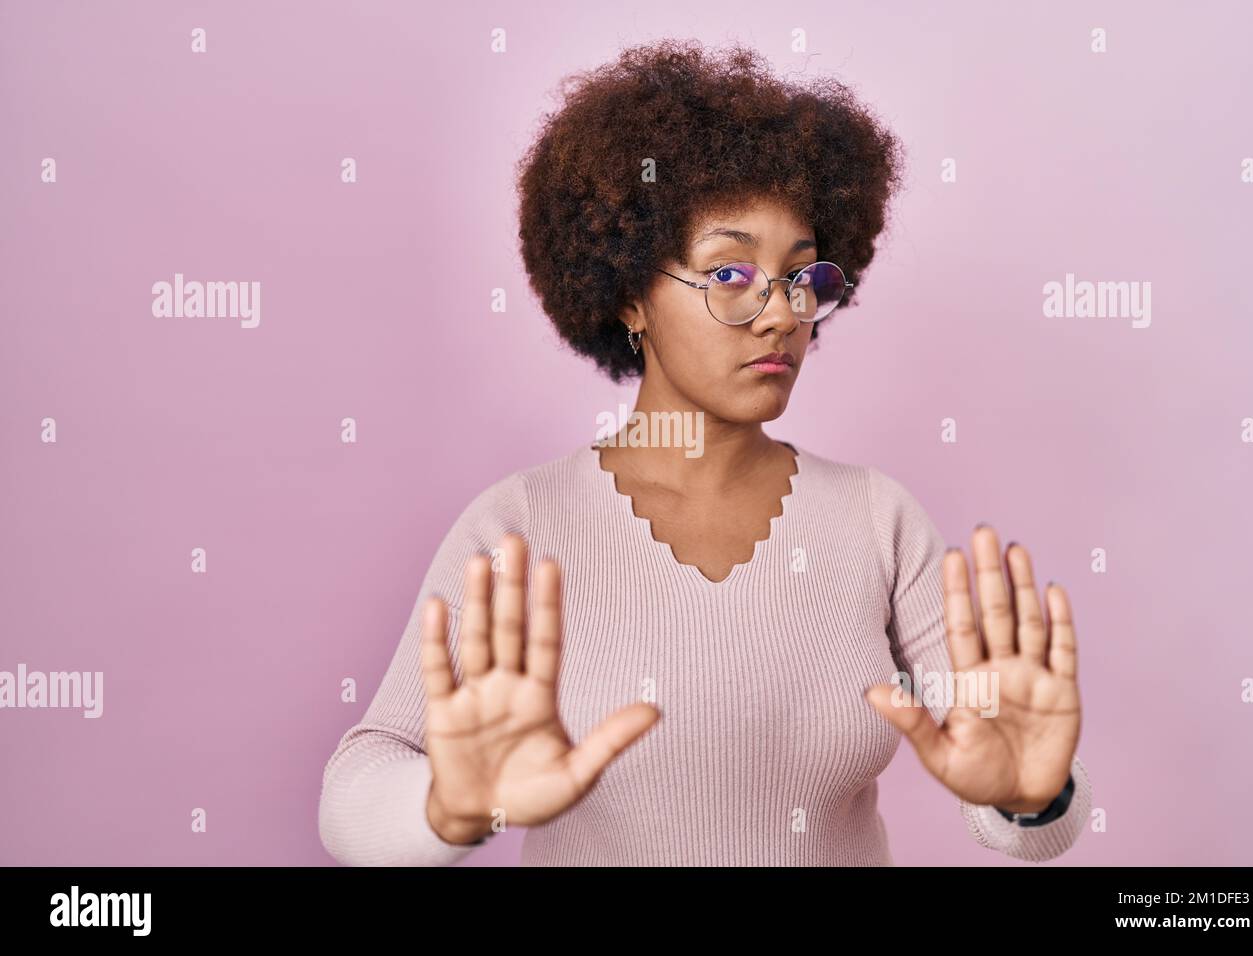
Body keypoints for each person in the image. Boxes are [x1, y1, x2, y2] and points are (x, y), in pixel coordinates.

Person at [318, 38, 1091, 866]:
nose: (780, 314)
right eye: (729, 275)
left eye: (802, 277)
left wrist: (1032, 794)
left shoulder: (875, 521)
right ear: (628, 297)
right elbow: (358, 784)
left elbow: (1005, 776)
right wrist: (447, 808)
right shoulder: (521, 525)